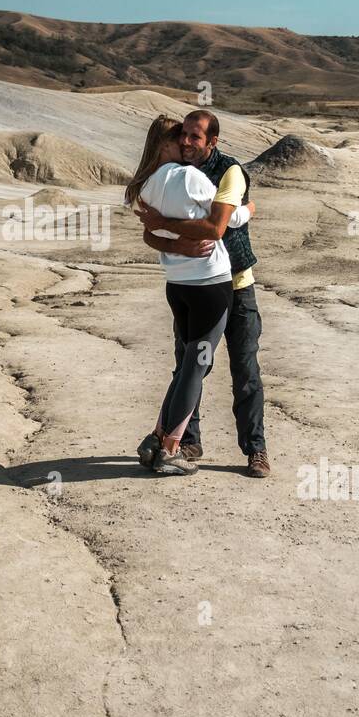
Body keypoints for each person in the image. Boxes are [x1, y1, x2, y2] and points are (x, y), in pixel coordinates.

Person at [134, 109, 270, 478]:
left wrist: (166, 228)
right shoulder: (183, 173)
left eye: (195, 137)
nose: (187, 142)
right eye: (183, 136)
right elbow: (151, 234)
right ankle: (183, 442)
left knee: (244, 371)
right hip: (204, 283)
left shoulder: (229, 172)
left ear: (212, 141)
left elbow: (216, 226)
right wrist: (175, 241)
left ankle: (255, 449)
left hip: (236, 286)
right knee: (191, 366)